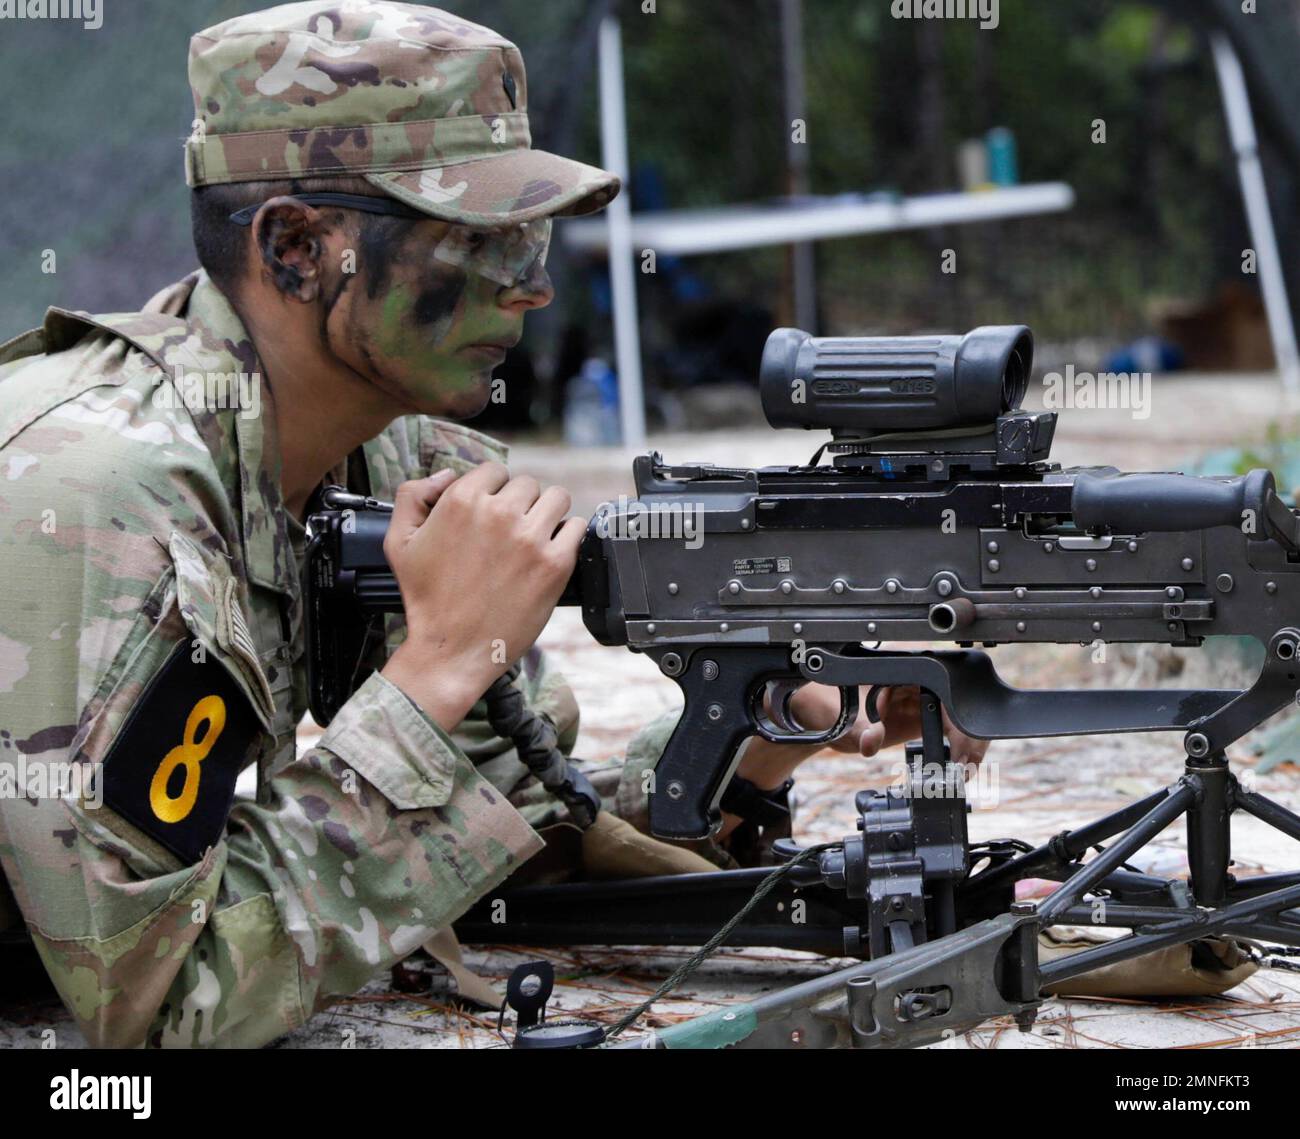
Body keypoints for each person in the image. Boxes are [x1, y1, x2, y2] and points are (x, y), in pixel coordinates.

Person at [0, 0, 985, 1047]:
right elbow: (161, 1009)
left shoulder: (386, 454)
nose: (535, 289)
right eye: (482, 241)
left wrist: (766, 721)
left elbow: (507, 827)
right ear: (296, 248)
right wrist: (432, 676)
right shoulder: (93, 498)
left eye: (532, 237)